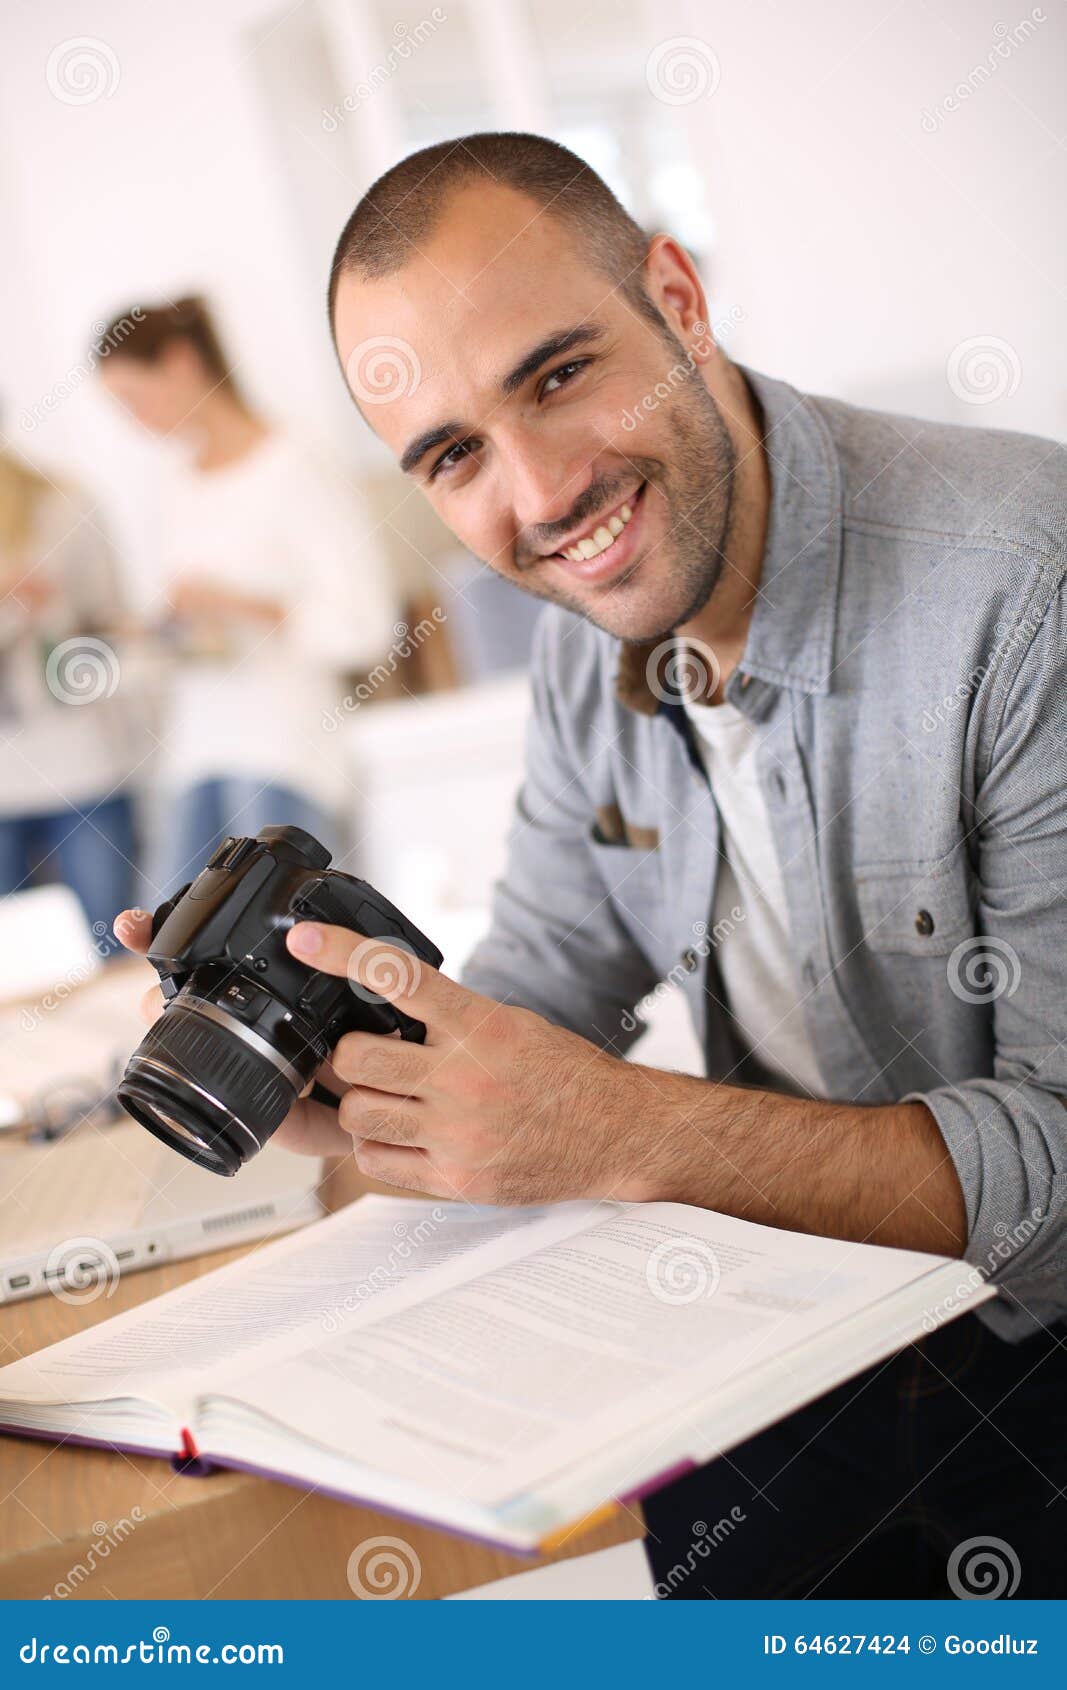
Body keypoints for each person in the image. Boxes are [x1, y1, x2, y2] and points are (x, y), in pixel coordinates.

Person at [118, 133, 1067, 1596]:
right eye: (451, 455)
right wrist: (365, 1088)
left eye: (556, 374)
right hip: (797, 1330)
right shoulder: (589, 649)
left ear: (676, 299)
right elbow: (548, 982)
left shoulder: (1021, 583)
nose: (542, 495)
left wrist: (621, 1129)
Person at [96, 296, 398, 892]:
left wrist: (243, 605)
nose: (134, 422)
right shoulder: (178, 483)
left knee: (278, 948)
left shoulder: (297, 464)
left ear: (181, 363)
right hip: (198, 753)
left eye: (134, 399)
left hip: (284, 751)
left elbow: (366, 626)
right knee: (166, 941)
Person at [0, 446, 135, 932]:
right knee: (14, 961)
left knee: (111, 938)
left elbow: (112, 624)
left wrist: (52, 610)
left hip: (83, 770)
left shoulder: (65, 505)